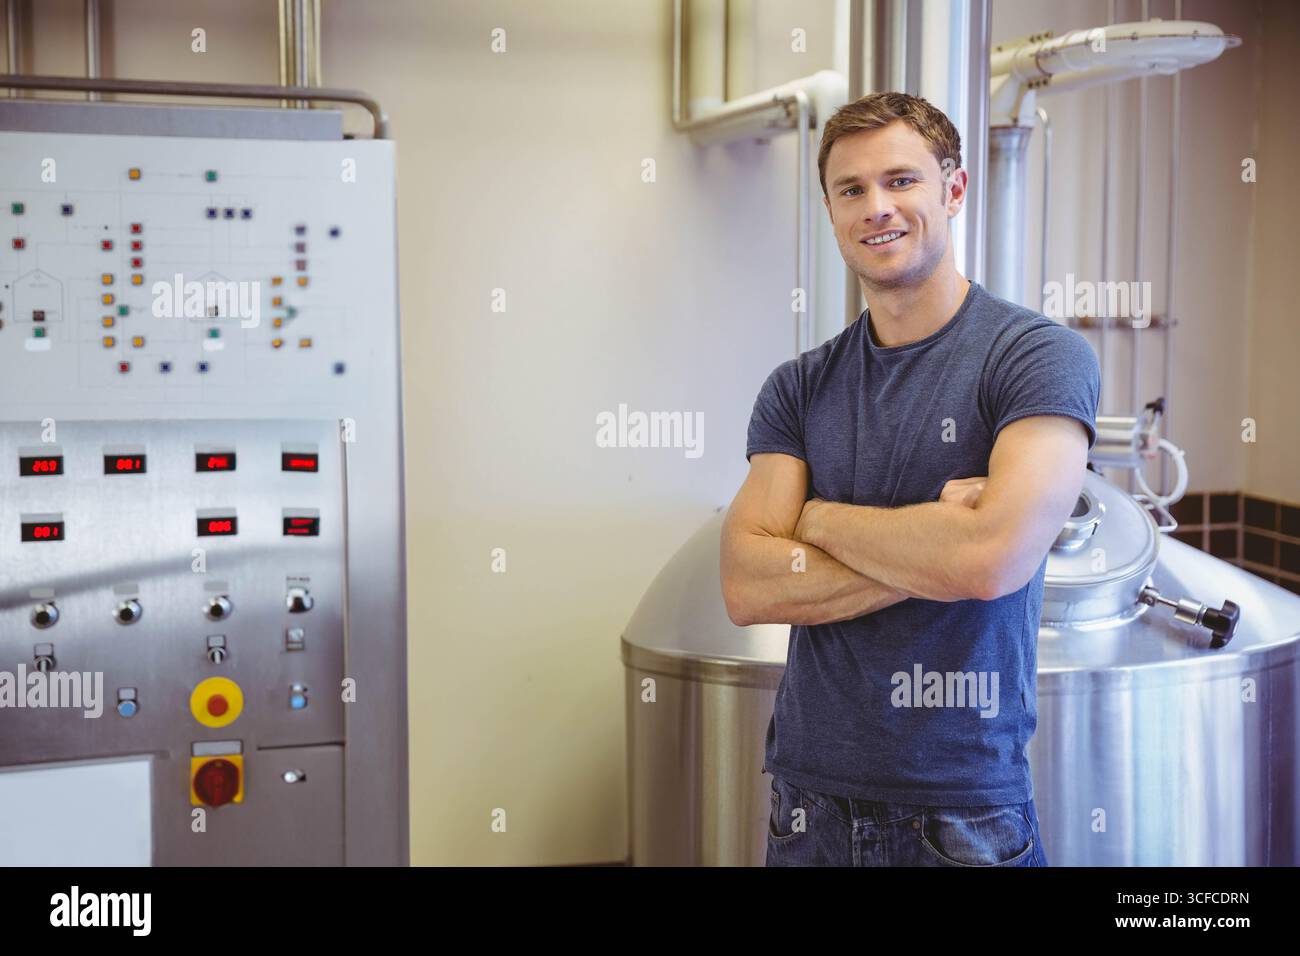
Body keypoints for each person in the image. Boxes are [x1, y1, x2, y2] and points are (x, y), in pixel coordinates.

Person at [719, 91, 1100, 867]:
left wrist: (817, 520)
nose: (876, 208)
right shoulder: (798, 386)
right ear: (830, 211)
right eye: (850, 190)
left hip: (962, 815)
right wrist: (937, 546)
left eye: (901, 181)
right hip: (808, 807)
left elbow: (989, 559)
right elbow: (746, 584)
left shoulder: (1034, 358)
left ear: (953, 191)